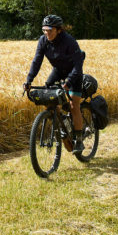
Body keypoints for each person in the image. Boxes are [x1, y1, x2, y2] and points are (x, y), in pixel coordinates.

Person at [24, 15, 87, 154]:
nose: (47, 33)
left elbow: (78, 66)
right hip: (58, 71)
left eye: (50, 30)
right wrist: (29, 80)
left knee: (73, 105)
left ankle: (79, 139)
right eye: (44, 30)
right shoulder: (43, 41)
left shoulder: (69, 41)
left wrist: (69, 82)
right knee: (48, 98)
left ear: (58, 30)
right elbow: (37, 61)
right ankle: (62, 124)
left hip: (74, 73)